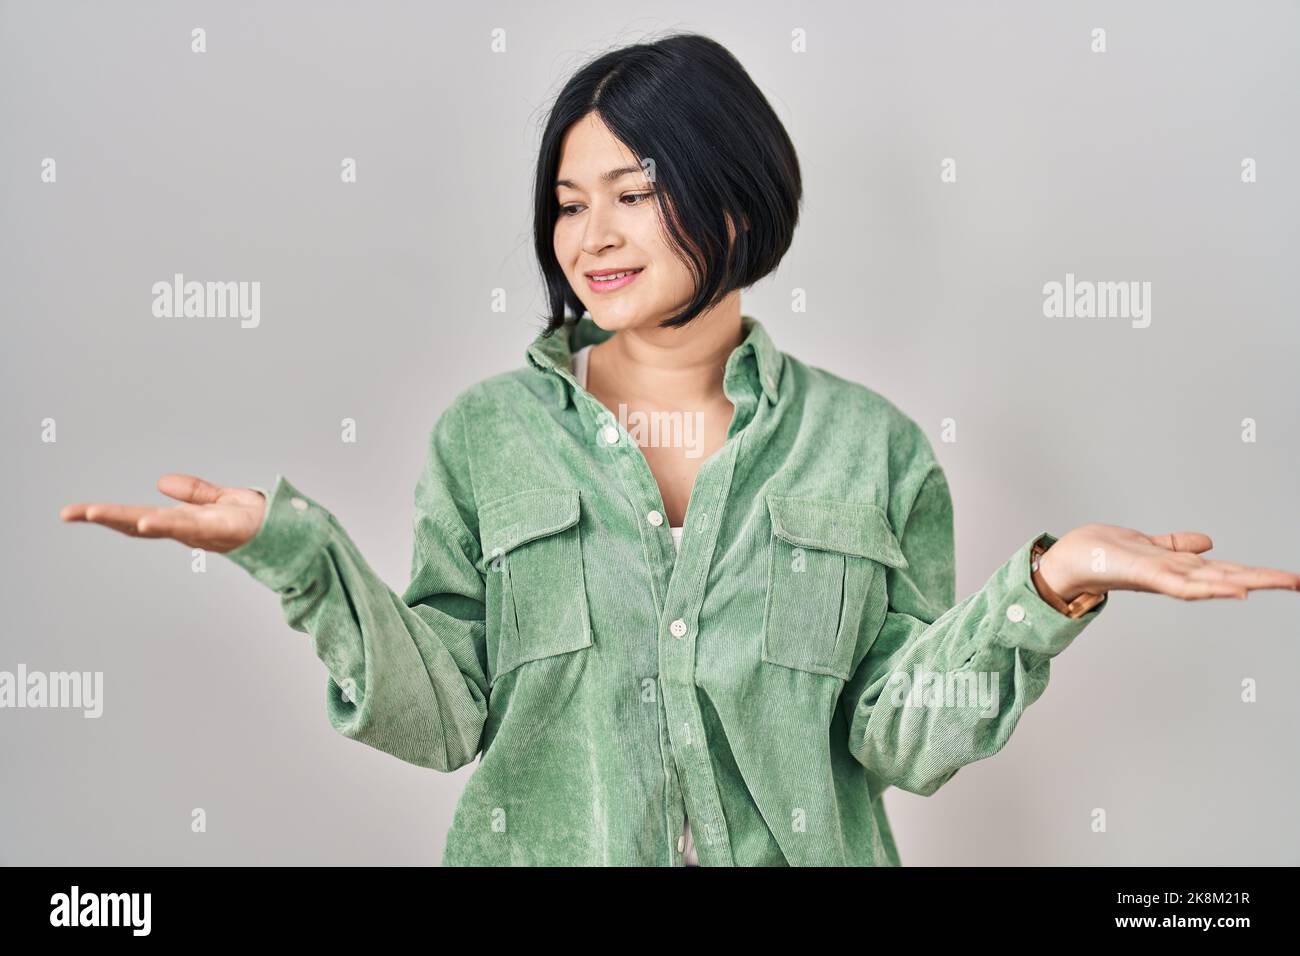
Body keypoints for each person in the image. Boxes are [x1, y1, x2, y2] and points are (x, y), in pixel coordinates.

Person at [60, 32, 1300, 867]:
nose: (588, 232)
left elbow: (896, 737)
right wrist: (295, 555)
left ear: (734, 196)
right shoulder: (487, 437)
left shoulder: (869, 449)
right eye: (565, 200)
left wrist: (1050, 583)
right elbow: (445, 718)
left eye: (633, 188)